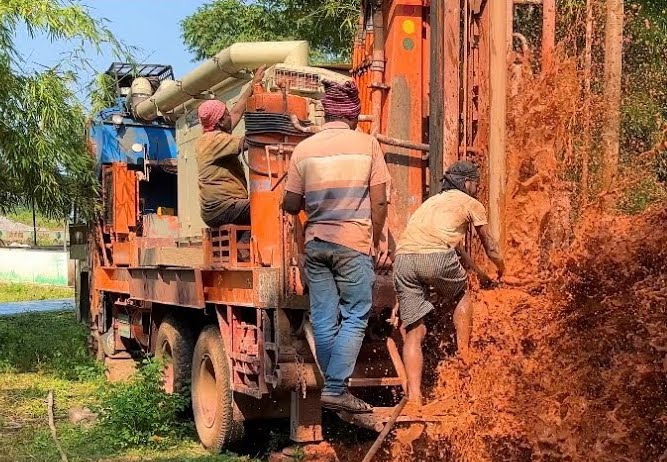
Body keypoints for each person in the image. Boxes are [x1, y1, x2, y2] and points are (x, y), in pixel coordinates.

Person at [281, 80, 391, 414]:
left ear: (325, 112)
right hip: (352, 241)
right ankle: (335, 388)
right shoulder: (367, 144)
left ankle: (332, 388)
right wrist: (378, 234)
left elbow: (289, 204)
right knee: (357, 313)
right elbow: (380, 200)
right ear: (353, 114)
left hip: (316, 244)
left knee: (325, 319)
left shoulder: (303, 150)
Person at [393, 160, 505, 408]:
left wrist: (478, 272)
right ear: (467, 183)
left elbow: (457, 248)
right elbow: (491, 246)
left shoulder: (431, 202)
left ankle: (415, 399)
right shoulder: (470, 203)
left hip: (402, 260)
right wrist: (502, 270)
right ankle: (464, 355)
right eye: (475, 183)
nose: (476, 188)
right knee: (462, 294)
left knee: (414, 331)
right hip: (435, 257)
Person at [195, 81, 258, 228]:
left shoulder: (209, 137)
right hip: (223, 208)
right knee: (267, 206)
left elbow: (236, 112)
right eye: (226, 115)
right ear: (221, 121)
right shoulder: (215, 140)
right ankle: (247, 250)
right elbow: (251, 142)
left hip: (216, 210)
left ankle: (244, 249)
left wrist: (253, 85)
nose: (231, 116)